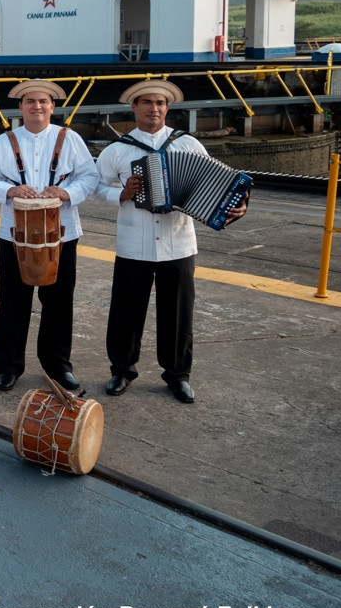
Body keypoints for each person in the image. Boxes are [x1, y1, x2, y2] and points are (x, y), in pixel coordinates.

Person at [96, 81, 248, 404]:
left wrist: (237, 205)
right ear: (134, 107)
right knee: (126, 310)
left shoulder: (189, 146)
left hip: (178, 244)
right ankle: (121, 370)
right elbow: (95, 187)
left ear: (167, 108)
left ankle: (178, 375)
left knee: (178, 313)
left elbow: (217, 184)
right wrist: (121, 193)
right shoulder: (118, 150)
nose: (154, 108)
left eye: (160, 103)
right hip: (133, 244)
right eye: (147, 102)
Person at [0, 80, 98, 393]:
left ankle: (58, 365)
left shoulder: (69, 138)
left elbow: (90, 176)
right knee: (13, 302)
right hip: (13, 233)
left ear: (53, 106)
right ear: (20, 107)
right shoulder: (4, 141)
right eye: (30, 101)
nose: (37, 107)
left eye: (43, 101)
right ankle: (8, 366)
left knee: (59, 302)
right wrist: (9, 189)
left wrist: (67, 191)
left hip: (62, 232)